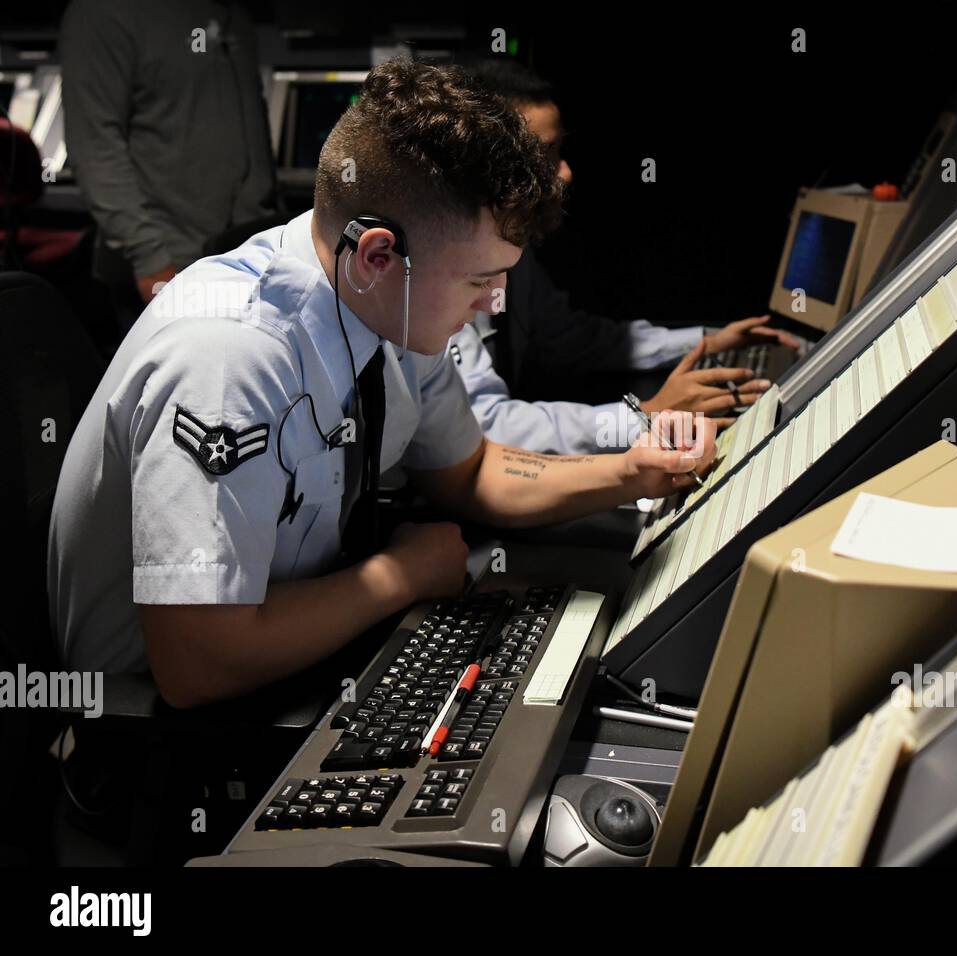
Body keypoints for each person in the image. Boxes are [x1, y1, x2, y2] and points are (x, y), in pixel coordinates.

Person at [47, 60, 715, 709]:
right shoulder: (227, 358)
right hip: (161, 737)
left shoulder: (388, 307)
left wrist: (627, 473)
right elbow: (199, 662)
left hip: (300, 652)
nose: (494, 303)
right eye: (480, 280)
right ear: (376, 256)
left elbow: (475, 470)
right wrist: (398, 577)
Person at [447, 59, 802, 455]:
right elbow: (485, 426)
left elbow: (568, 339)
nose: (564, 173)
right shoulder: (440, 269)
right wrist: (643, 416)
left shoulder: (512, 249)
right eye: (545, 154)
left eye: (560, 150)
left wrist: (705, 341)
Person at [60, 0, 277, 319]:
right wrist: (150, 260)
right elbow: (95, 147)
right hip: (170, 265)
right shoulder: (101, 12)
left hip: (252, 254)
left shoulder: (233, 14)